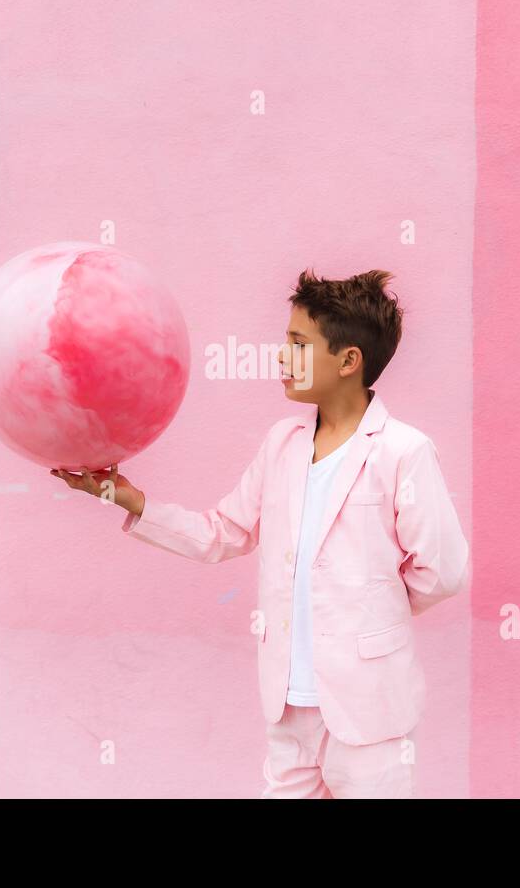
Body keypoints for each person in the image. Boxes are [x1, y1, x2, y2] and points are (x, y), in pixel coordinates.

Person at [50, 268, 469, 798]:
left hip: (371, 716)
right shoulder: (283, 443)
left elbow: (444, 570)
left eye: (298, 344)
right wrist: (126, 498)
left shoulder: (402, 452)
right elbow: (222, 531)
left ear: (347, 361)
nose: (280, 356)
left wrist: (371, 608)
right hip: (290, 709)